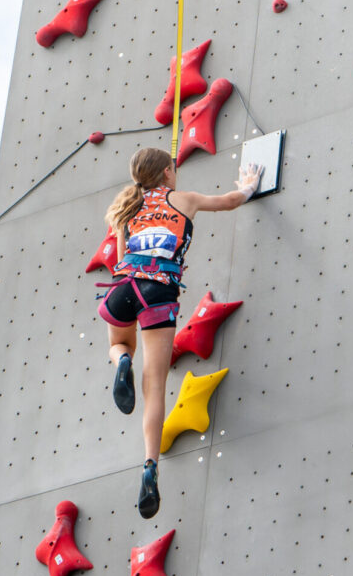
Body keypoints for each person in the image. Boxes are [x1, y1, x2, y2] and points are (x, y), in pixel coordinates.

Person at [99, 147, 262, 518]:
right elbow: (228, 202)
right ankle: (150, 465)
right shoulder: (184, 199)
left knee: (121, 343)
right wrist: (248, 187)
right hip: (161, 292)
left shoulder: (127, 209)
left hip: (126, 288)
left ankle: (121, 360)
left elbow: (123, 260)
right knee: (154, 383)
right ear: (168, 174)